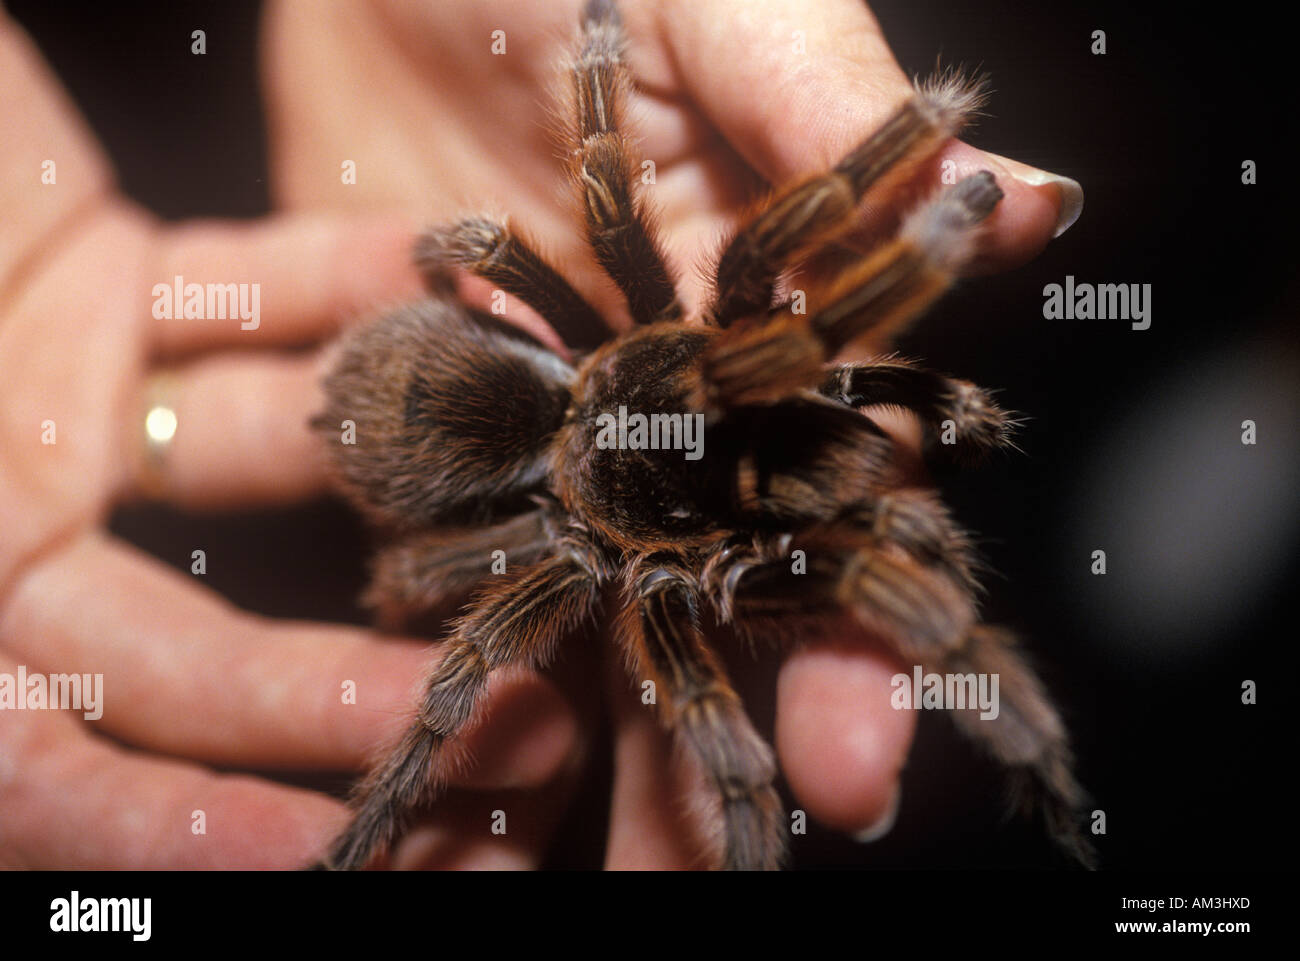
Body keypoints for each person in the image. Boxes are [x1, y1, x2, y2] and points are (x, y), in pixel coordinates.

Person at [0, 0, 1080, 868]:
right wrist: (926, 215)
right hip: (509, 423)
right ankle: (1056, 789)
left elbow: (600, 198)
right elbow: (630, 206)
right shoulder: (731, 388)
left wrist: (609, 31)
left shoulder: (678, 340)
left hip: (528, 398)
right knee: (642, 714)